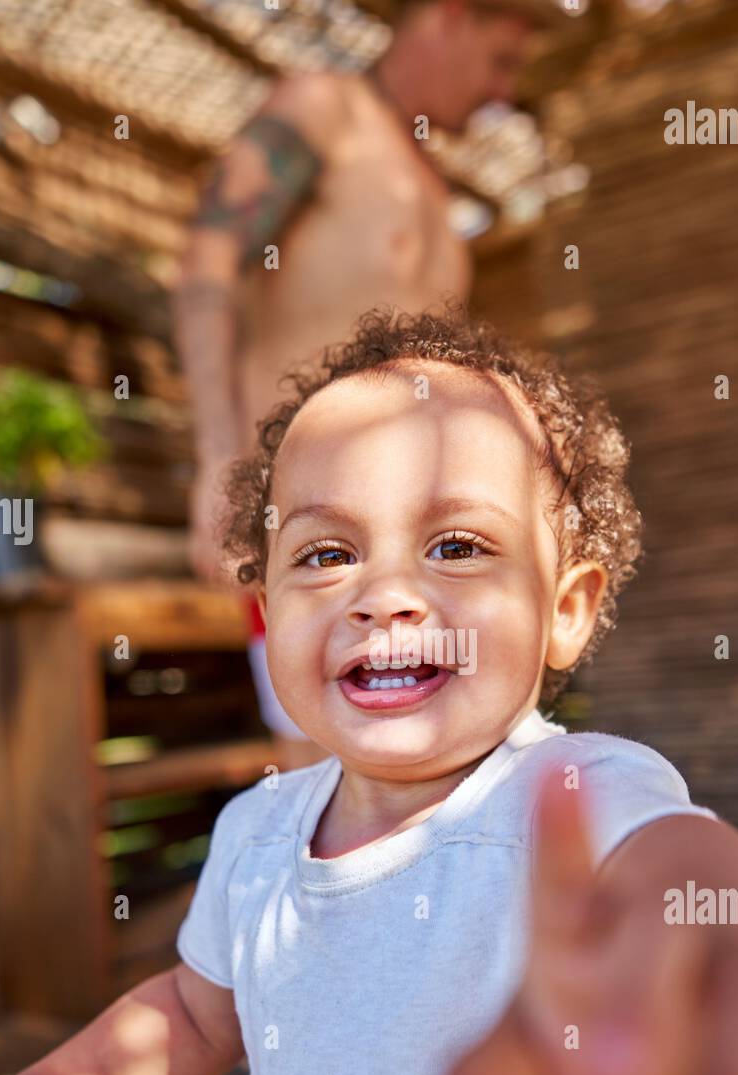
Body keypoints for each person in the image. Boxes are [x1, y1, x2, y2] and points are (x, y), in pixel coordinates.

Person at [0, 304, 738, 1075]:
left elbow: (678, 870)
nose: (386, 594)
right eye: (326, 555)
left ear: (565, 609)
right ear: (269, 614)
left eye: (455, 545)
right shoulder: (258, 833)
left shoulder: (575, 796)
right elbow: (191, 1019)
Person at [171, 0, 558, 765]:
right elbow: (203, 268)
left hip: (414, 541)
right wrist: (218, 459)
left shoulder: (441, 196)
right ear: (447, 17)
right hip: (306, 529)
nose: (502, 95)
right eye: (501, 62)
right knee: (321, 767)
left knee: (438, 767)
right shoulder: (322, 108)